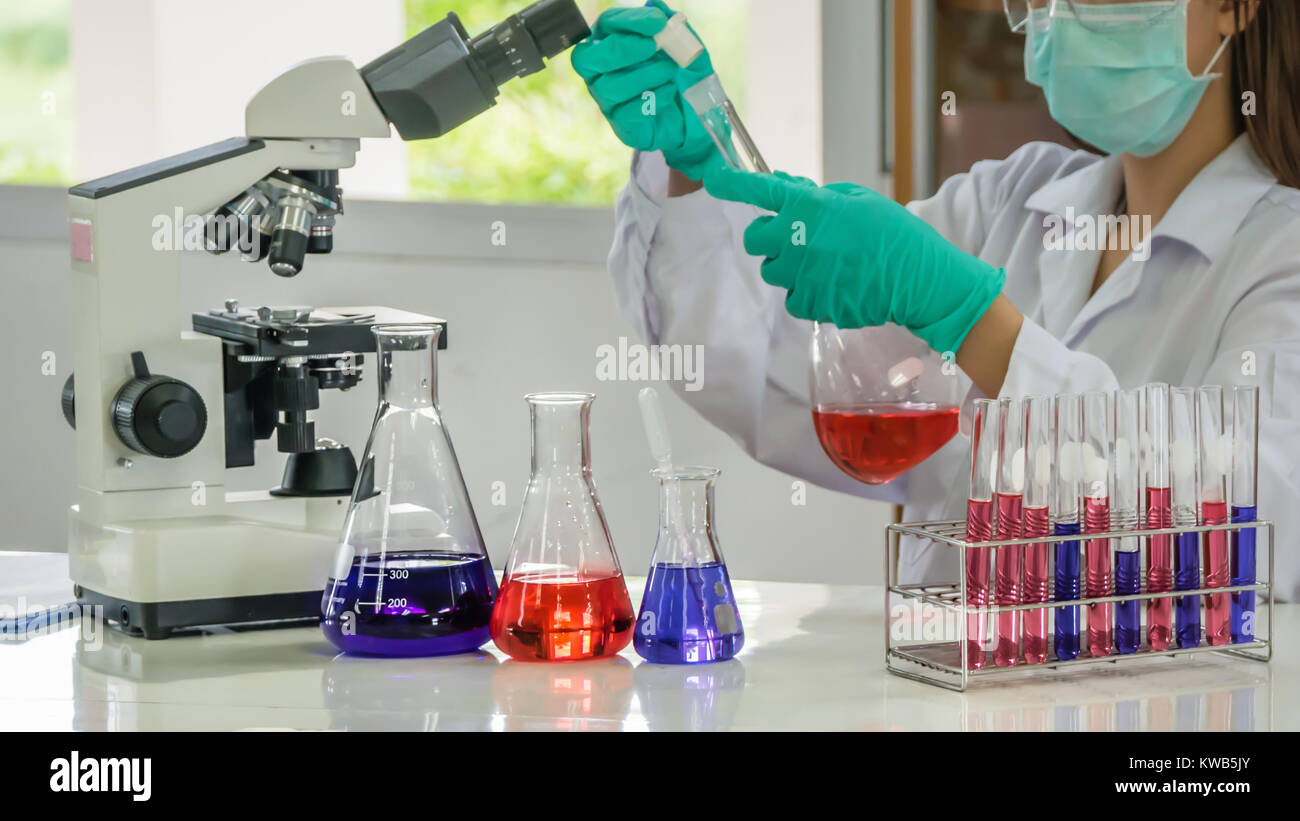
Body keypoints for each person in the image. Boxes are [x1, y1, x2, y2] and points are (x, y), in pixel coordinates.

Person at [572, 0, 1300, 601]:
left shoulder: (1281, 258)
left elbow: (1253, 524)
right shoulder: (1006, 202)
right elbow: (767, 371)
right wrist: (701, 163)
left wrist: (975, 321)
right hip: (944, 694)